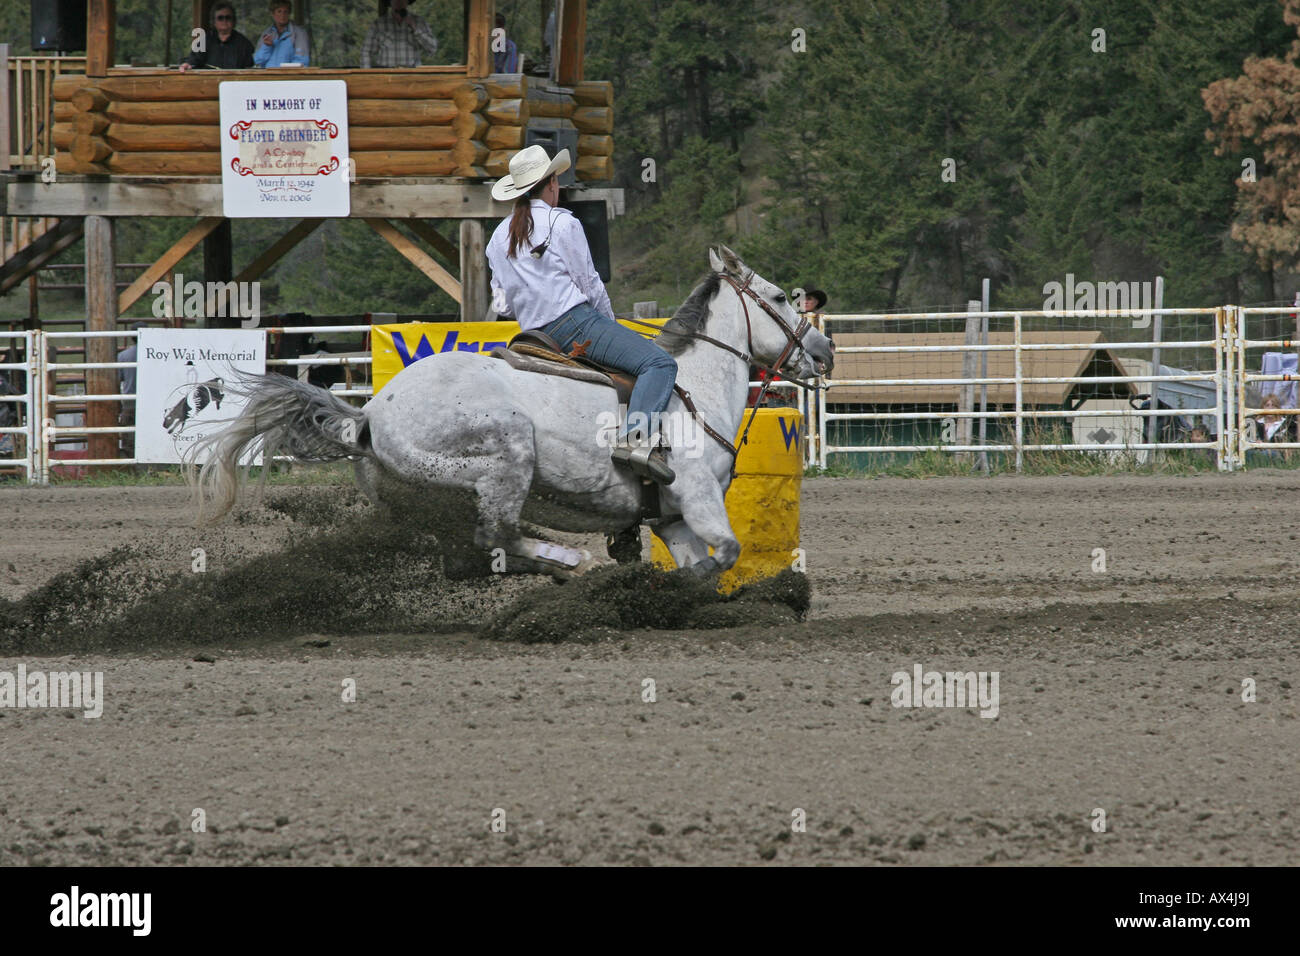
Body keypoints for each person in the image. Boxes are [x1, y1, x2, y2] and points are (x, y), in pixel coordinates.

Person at [486, 145, 678, 485]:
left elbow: (502, 306)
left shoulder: (497, 239)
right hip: (576, 325)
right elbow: (589, 284)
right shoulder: (562, 223)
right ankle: (635, 443)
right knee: (659, 364)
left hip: (531, 337)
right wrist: (610, 326)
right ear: (551, 184)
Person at [360, 0, 437, 69]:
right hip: (386, 74)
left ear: (408, 1)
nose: (399, 1)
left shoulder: (419, 21)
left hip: (412, 74)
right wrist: (367, 76)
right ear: (390, 1)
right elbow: (366, 51)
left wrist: (415, 28)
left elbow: (432, 48)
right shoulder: (379, 24)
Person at [179, 2, 254, 71]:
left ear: (233, 20)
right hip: (207, 82)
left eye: (228, 17)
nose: (224, 21)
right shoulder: (204, 41)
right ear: (214, 22)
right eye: (220, 18)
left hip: (234, 83)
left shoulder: (244, 43)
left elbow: (249, 68)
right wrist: (187, 64)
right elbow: (194, 60)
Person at [253, 0, 310, 68]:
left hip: (289, 76)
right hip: (268, 76)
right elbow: (258, 61)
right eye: (279, 11)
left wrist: (284, 73)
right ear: (273, 14)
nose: (282, 15)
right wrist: (267, 46)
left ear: (289, 14)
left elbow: (302, 61)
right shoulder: (267, 33)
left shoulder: (299, 33)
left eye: (285, 12)